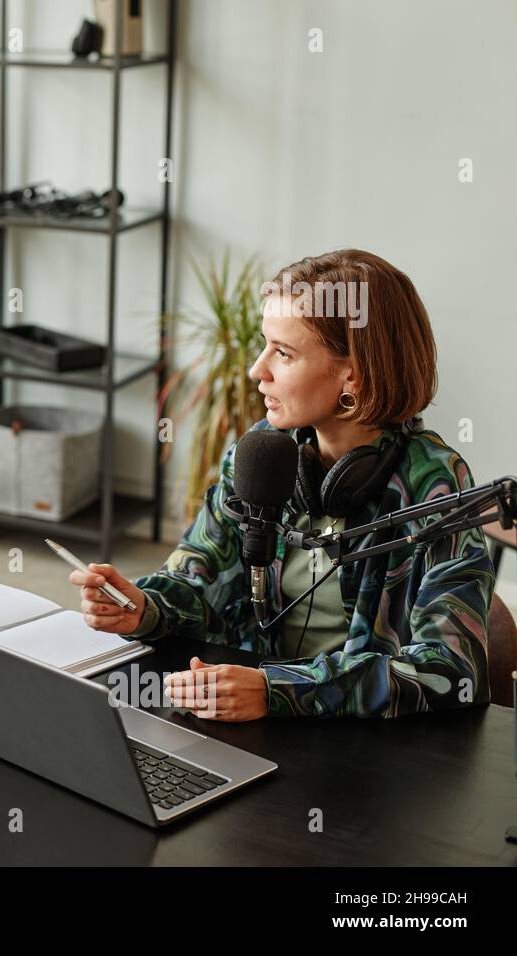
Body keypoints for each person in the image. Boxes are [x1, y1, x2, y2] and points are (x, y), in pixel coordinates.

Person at [71, 249, 494, 720]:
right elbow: (201, 577)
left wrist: (279, 689)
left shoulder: (434, 482)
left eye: (284, 353)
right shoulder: (262, 452)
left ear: (352, 371)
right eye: (264, 345)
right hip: (251, 719)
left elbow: (451, 672)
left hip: (374, 752)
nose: (257, 370)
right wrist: (145, 608)